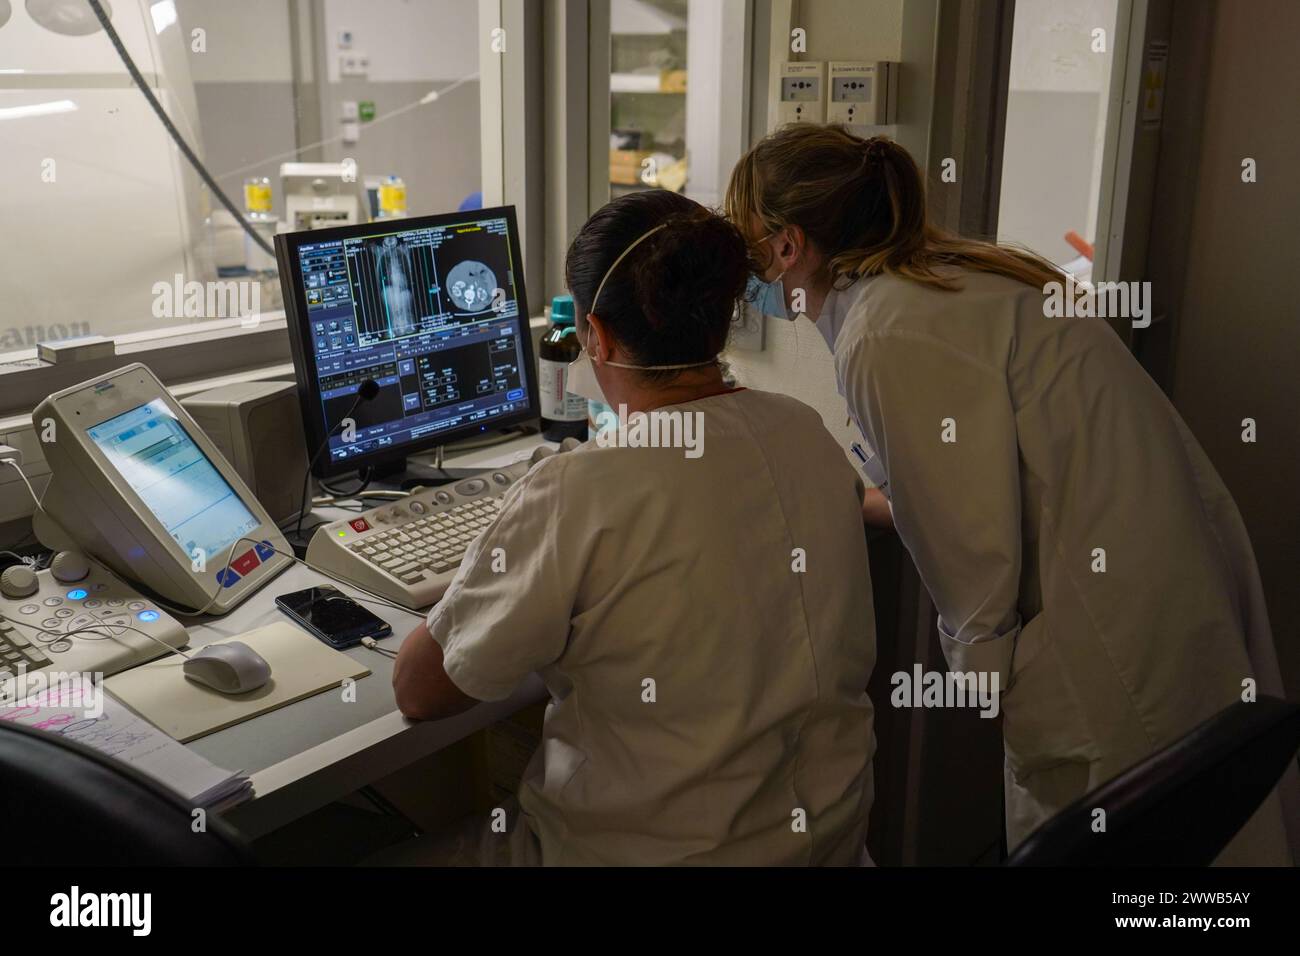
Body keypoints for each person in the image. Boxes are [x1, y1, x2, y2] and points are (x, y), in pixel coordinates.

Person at [726, 122, 1297, 863]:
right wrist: (867, 501)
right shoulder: (949, 279)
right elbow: (969, 475)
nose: (743, 274)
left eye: (744, 246)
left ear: (787, 245)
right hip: (1155, 579)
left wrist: (983, 680)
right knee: (1193, 843)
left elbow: (972, 543)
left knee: (1131, 847)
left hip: (1101, 627)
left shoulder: (886, 329)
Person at [393, 189, 876, 866]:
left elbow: (419, 691)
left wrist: (488, 553)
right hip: (827, 844)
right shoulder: (803, 431)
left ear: (600, 335)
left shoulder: (580, 488)